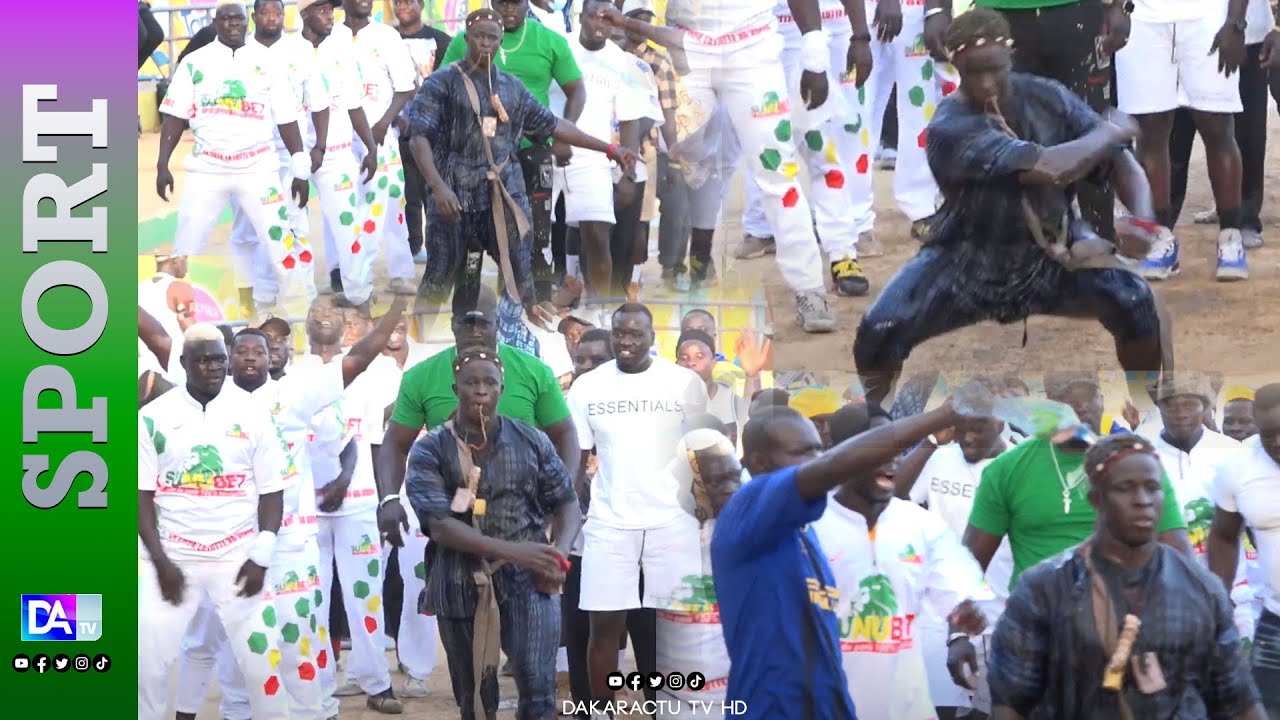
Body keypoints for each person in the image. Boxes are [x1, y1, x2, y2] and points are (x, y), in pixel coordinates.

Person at [852, 8, 1169, 407]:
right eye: (973, 72)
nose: (986, 83)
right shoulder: (949, 127)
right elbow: (1051, 168)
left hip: (1051, 252)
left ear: (1011, 57)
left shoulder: (1047, 96)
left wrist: (1142, 220)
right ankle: (876, 419)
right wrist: (1110, 131)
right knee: (879, 330)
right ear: (955, 68)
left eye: (995, 69)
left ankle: (1149, 409)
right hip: (965, 260)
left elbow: (1121, 160)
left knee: (1135, 303)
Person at [712, 381, 995, 718]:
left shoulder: (804, 531)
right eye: (802, 452)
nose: (816, 460)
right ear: (758, 462)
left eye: (819, 450)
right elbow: (830, 468)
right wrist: (943, 415)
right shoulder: (745, 511)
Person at [594, 0, 847, 333]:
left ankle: (810, 290)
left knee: (777, 173)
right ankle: (639, 278)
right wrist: (624, 23)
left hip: (753, 50)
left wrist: (814, 56)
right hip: (686, 51)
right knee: (671, 164)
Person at [989, 433, 1265, 719]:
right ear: (1096, 499)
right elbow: (1010, 701)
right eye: (1125, 488)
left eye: (1152, 488)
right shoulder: (1045, 588)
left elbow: (1238, 701)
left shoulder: (1201, 588)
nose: (1142, 500)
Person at [400, 8, 639, 329]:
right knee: (442, 273)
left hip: (502, 195)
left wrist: (610, 149)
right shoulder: (442, 84)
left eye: (492, 38)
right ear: (467, 39)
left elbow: (554, 125)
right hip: (454, 196)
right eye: (479, 36)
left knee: (520, 271)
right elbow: (419, 140)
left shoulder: (511, 88)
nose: (485, 43)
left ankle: (518, 337)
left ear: (501, 42)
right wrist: (439, 188)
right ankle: (420, 339)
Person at [173, 328, 351, 720]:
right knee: (221, 641)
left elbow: (353, 373)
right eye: (242, 351)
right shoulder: (208, 405)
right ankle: (237, 711)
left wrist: (397, 307)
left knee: (295, 635)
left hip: (287, 541)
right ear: (228, 359)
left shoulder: (292, 397)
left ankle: (315, 711)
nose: (252, 357)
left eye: (261, 350)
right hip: (223, 546)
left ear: (274, 356)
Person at [406, 350, 581, 720]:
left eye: (490, 383)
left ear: (502, 388)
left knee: (538, 688)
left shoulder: (531, 440)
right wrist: (518, 552)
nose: (481, 390)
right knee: (473, 696)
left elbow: (567, 502)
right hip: (458, 579)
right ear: (456, 388)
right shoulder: (430, 449)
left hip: (530, 580)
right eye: (471, 382)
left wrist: (559, 555)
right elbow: (440, 525)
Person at [138, 324, 293, 720]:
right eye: (203, 360)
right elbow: (140, 496)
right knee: (148, 668)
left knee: (263, 666)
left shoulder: (254, 415)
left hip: (238, 558)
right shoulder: (152, 418)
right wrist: (161, 562)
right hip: (171, 559)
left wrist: (261, 554)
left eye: (219, 360)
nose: (213, 368)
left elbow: (272, 491)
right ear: (184, 363)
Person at [812, 402, 993, 720]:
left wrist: (960, 633)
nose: (892, 458)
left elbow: (958, 590)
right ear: (843, 453)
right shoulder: (810, 527)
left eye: (895, 447)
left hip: (909, 708)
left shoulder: (922, 525)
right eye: (878, 448)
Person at [566, 303, 707, 705]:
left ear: (652, 338)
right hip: (609, 525)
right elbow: (577, 458)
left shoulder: (683, 382)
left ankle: (673, 711)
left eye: (635, 334)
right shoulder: (588, 388)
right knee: (603, 632)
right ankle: (600, 712)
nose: (626, 341)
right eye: (619, 333)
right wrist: (568, 510)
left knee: (677, 633)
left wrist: (705, 504)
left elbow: (702, 448)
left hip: (673, 524)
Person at [156, 0, 314, 307]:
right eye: (226, 19)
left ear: (247, 22)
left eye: (238, 19)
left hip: (258, 167)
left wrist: (300, 167)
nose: (233, 24)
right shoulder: (195, 62)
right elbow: (174, 116)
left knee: (280, 243)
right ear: (215, 24)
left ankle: (299, 312)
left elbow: (287, 118)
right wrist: (163, 164)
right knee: (186, 246)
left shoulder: (268, 63)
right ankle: (180, 313)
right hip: (207, 168)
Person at [295, 296, 410, 714]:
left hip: (360, 503)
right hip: (306, 511)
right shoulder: (292, 376)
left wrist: (385, 497)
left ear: (346, 327)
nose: (323, 316)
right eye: (316, 312)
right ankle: (320, 687)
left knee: (366, 597)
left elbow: (379, 440)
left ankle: (376, 683)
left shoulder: (369, 375)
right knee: (313, 601)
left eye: (332, 312)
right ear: (305, 327)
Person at [440, 0, 589, 304]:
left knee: (534, 235)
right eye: (501, 2)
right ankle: (468, 311)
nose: (508, 9)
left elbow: (576, 89)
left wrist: (565, 133)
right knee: (472, 237)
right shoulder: (466, 40)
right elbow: (442, 89)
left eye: (515, 2)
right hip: (476, 156)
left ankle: (534, 306)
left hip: (532, 151)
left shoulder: (549, 40)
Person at [739, 0, 877, 297]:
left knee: (823, 152)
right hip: (752, 51)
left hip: (805, 43)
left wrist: (859, 36)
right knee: (769, 160)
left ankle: (843, 254)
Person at [896, 403, 1019, 717]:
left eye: (978, 429)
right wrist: (930, 441)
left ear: (1001, 421)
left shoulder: (1017, 465)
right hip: (940, 618)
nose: (968, 438)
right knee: (943, 711)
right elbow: (895, 495)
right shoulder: (940, 458)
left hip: (998, 617)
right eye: (962, 429)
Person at [1116, 0, 1250, 282]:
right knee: (1149, 130)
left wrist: (1236, 21)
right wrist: (1116, 6)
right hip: (1143, 17)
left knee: (1217, 125)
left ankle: (1230, 237)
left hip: (1208, 15)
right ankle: (1161, 240)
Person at [974, 0, 1126, 247]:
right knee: (1006, 139)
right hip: (996, 17)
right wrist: (936, 9)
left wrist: (1120, 6)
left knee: (1092, 132)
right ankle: (1017, 250)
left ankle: (1101, 246)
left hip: (1078, 11)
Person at [553, 0, 654, 301]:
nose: (600, 24)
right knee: (538, 235)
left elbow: (630, 120)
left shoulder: (623, 63)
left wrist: (629, 174)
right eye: (594, 17)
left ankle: (600, 307)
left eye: (608, 19)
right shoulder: (559, 46)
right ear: (580, 17)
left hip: (595, 158)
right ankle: (534, 302)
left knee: (597, 237)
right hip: (551, 149)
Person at [1167, 0, 1280, 252]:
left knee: (1246, 130)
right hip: (1186, 30)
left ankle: (1245, 219)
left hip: (1246, 36)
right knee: (1178, 129)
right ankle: (1165, 223)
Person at [324, 0, 419, 297]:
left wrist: (383, 124)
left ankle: (400, 272)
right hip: (339, 135)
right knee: (339, 205)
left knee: (389, 204)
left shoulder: (386, 36)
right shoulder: (330, 35)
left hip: (381, 133)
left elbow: (406, 87)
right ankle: (341, 270)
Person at [652, 428, 744, 718]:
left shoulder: (753, 530)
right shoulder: (655, 533)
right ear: (686, 483)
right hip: (674, 700)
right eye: (715, 481)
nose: (730, 489)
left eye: (735, 477)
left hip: (740, 695)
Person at [395, 0, 453, 263]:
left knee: (434, 188)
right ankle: (414, 246)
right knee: (409, 193)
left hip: (433, 130)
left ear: (421, 5)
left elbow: (450, 82)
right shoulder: (387, 39)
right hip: (398, 129)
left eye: (408, 1)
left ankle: (439, 245)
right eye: (397, 2)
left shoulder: (440, 40)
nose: (402, 7)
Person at [676, 330, 751, 447]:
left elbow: (751, 423)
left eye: (699, 357)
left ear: (713, 362)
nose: (691, 363)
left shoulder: (731, 399)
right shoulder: (667, 404)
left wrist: (752, 375)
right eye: (684, 358)